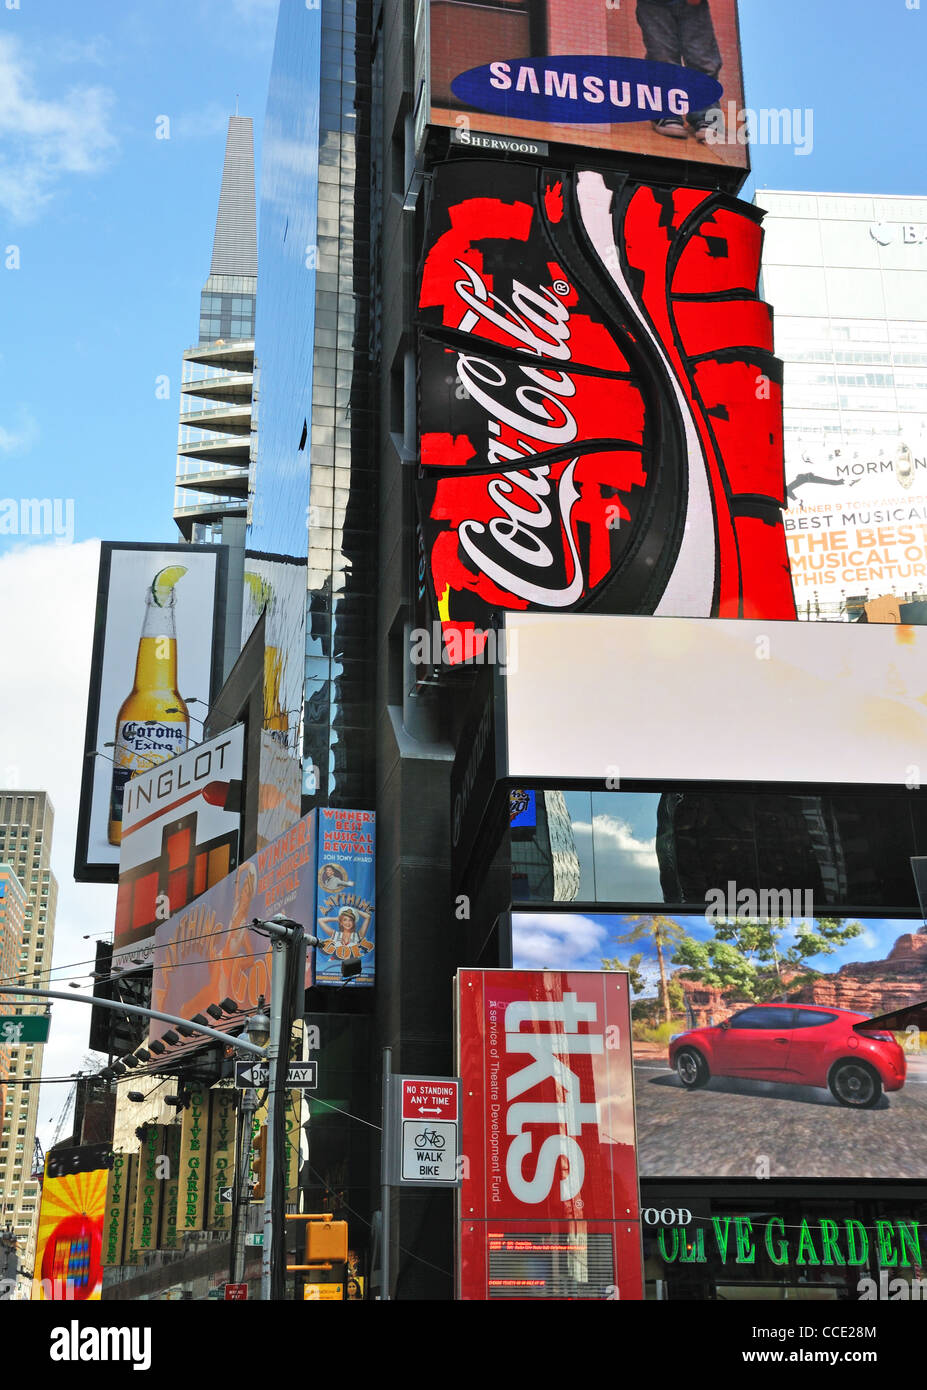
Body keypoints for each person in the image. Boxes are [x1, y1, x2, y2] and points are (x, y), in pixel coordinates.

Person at [636, 0, 724, 143]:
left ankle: (706, 114)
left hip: (692, 6)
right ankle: (666, 111)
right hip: (652, 4)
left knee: (701, 58)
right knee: (662, 58)